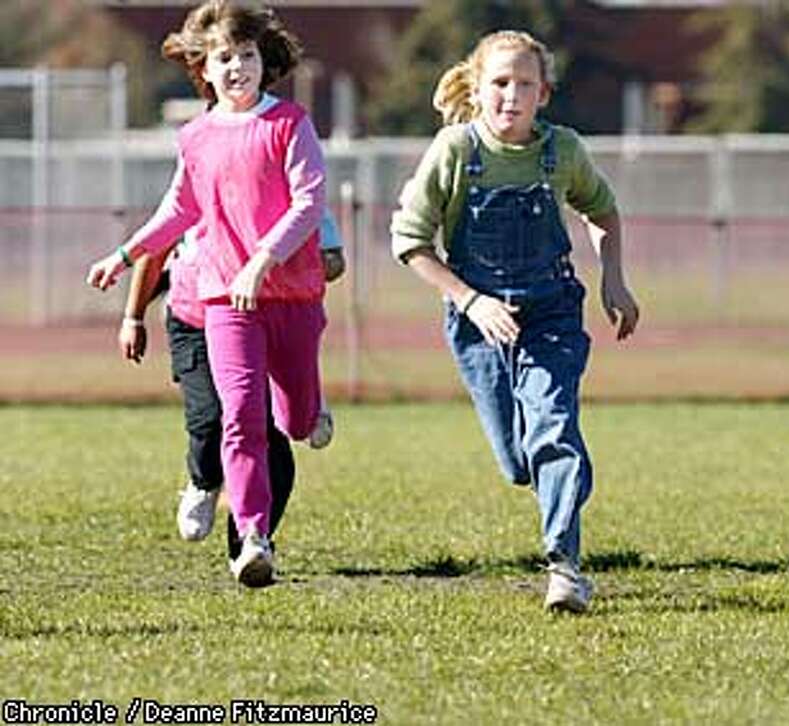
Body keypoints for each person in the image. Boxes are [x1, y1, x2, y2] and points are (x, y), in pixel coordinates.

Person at [390, 30, 640, 613]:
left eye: (524, 84)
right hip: (479, 320)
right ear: (477, 90)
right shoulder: (455, 151)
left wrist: (614, 277)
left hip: (551, 309)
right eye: (500, 83)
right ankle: (563, 475)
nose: (511, 95)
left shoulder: (563, 151)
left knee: (551, 426)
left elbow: (601, 208)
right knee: (516, 459)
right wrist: (471, 300)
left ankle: (565, 566)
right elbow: (410, 241)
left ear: (543, 94)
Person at [86, 0, 328, 588]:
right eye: (224, 58)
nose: (237, 67)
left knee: (293, 422)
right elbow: (180, 207)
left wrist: (262, 262)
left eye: (246, 55)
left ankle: (311, 407)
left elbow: (308, 201)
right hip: (224, 296)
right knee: (240, 415)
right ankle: (252, 537)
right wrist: (124, 255)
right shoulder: (195, 136)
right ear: (205, 67)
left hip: (290, 295)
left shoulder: (289, 123)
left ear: (261, 59)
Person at [118, 211, 345, 567]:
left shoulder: (299, 194)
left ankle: (251, 546)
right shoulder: (200, 182)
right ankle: (204, 480)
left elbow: (333, 260)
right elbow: (155, 248)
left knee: (267, 439)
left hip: (259, 317)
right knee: (212, 419)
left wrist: (290, 260)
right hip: (194, 321)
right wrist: (133, 317)